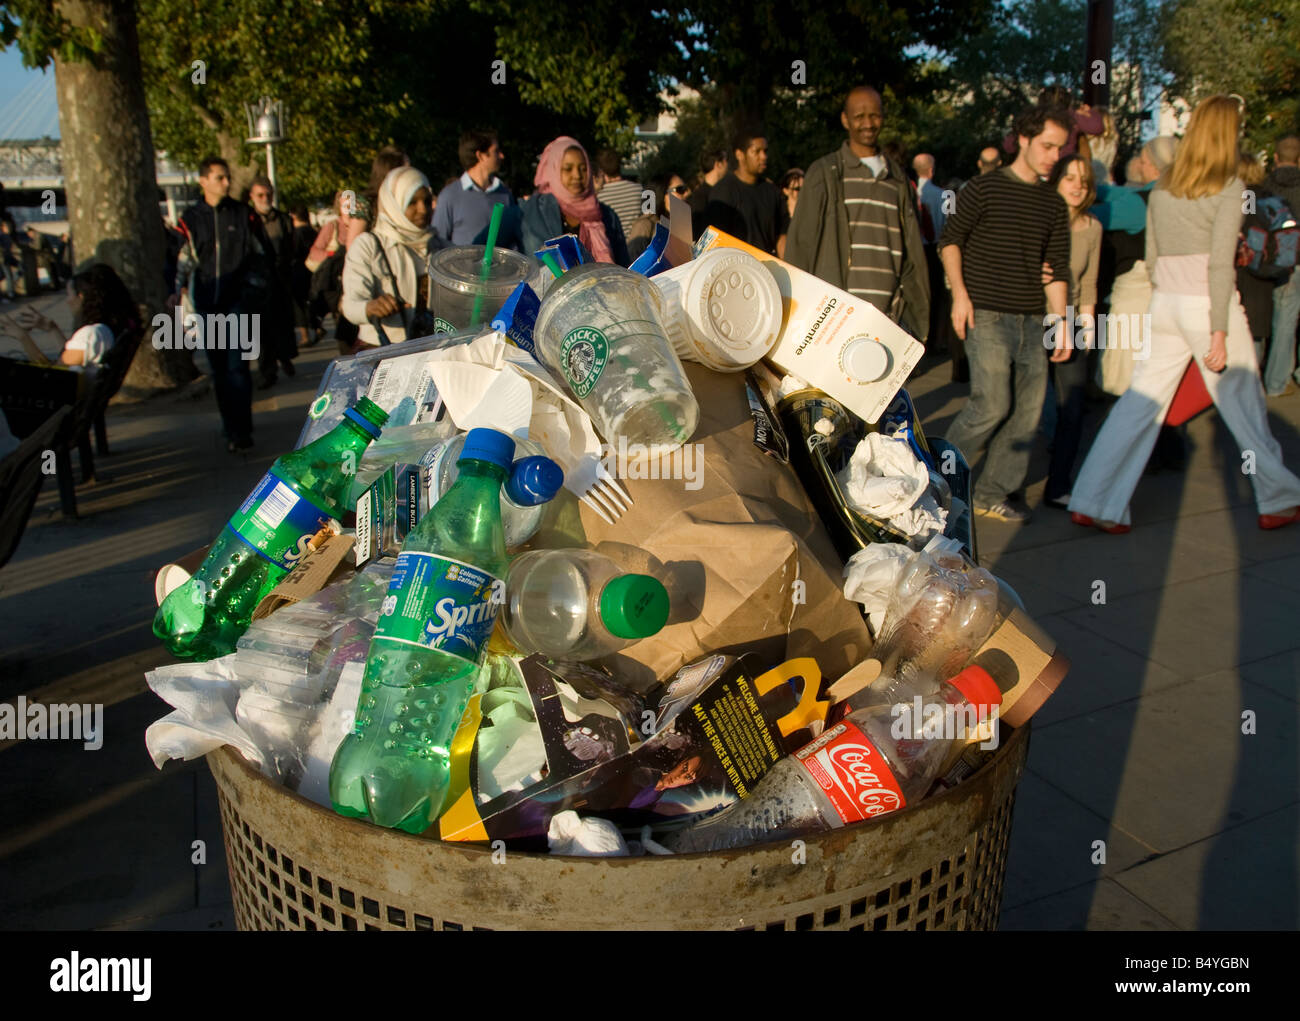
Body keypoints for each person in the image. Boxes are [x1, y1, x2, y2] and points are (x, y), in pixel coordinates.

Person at [1069, 95, 1300, 533]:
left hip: (1166, 303)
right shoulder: (1228, 186)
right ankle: (1278, 497)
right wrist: (1216, 332)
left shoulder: (1167, 187)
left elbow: (1154, 258)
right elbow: (1217, 264)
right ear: (1227, 135)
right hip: (1208, 305)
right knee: (1244, 404)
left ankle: (1093, 500)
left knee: (1139, 404)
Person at [938, 104, 1073, 524]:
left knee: (1028, 412)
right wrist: (960, 295)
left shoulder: (1053, 203)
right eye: (1048, 146)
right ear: (1025, 139)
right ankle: (933, 479)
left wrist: (1061, 321)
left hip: (1033, 320)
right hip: (988, 314)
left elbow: (1057, 267)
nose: (1054, 155)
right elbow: (950, 240)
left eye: (1060, 148)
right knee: (991, 404)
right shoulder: (984, 188)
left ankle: (990, 492)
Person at [785, 87, 930, 341]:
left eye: (874, 115)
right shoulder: (825, 172)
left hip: (888, 319)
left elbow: (911, 256)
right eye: (859, 116)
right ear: (845, 120)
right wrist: (796, 315)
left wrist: (915, 315)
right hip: (835, 320)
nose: (868, 123)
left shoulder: (897, 179)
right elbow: (801, 246)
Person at [176, 156, 269, 452]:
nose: (226, 183)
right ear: (203, 181)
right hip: (206, 303)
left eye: (227, 177)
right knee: (219, 369)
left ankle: (243, 430)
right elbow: (183, 259)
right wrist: (176, 289)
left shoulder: (243, 215)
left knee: (238, 367)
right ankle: (230, 428)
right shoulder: (190, 219)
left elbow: (261, 254)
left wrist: (252, 287)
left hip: (237, 303)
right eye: (219, 177)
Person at [1042, 154, 1102, 509]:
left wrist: (1088, 326)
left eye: (1083, 179)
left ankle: (1058, 485)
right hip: (1036, 319)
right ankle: (1004, 486)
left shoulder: (1093, 227)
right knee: (1024, 404)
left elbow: (1090, 281)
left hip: (1074, 321)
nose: (1078, 185)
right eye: (1069, 178)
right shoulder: (1040, 222)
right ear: (1056, 182)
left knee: (1073, 407)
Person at [342, 166, 437, 347]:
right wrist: (369, 307)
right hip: (383, 351)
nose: (423, 209)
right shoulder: (368, 245)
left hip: (429, 351)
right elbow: (350, 304)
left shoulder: (438, 245)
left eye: (426, 201)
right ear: (394, 204)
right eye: (412, 202)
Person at [0, 263, 137, 371]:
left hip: (63, 403)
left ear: (81, 297)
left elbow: (51, 373)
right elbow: (68, 362)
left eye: (69, 294)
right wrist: (52, 329)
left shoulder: (92, 334)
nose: (67, 300)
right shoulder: (106, 330)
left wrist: (23, 337)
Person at [520, 137, 630, 265]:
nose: (577, 175)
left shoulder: (606, 216)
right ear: (554, 170)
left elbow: (624, 269)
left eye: (583, 169)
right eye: (568, 169)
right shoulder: (531, 211)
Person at [704, 130, 789, 257]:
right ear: (739, 154)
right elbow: (715, 243)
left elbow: (782, 235)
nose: (763, 156)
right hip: (737, 269)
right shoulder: (723, 191)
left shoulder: (772, 191)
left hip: (769, 271)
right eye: (756, 151)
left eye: (765, 151)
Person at [247, 175, 297, 386]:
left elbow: (292, 248)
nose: (265, 198)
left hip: (280, 281)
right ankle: (267, 370)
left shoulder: (283, 219)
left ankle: (284, 356)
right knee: (260, 329)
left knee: (282, 323)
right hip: (257, 284)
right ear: (252, 196)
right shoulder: (248, 221)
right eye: (260, 195)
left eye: (268, 194)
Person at [307, 191, 370, 354]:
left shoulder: (364, 222)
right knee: (346, 330)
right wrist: (332, 256)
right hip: (338, 286)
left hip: (361, 282)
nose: (348, 209)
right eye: (344, 205)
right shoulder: (332, 226)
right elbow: (314, 251)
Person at [433, 129, 517, 248]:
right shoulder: (449, 196)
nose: (502, 156)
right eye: (496, 151)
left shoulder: (505, 195)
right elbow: (437, 243)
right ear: (480, 156)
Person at [1262, 134, 1300, 395]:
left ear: (1276, 157)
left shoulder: (1262, 187)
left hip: (1273, 259)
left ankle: (1275, 378)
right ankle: (1281, 379)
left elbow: (1249, 215)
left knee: (1282, 320)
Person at [626, 173, 684, 260]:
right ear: (662, 193)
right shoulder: (645, 224)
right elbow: (634, 264)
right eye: (680, 190)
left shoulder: (678, 223)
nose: (687, 193)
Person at [592, 148, 643, 240]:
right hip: (639, 249)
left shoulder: (598, 197)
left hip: (613, 250)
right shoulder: (639, 190)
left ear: (601, 171)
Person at [288, 205, 317, 348]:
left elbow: (293, 253)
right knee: (311, 300)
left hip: (298, 270)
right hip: (314, 270)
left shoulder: (296, 234)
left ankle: (305, 336)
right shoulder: (313, 231)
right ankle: (317, 327)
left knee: (298, 304)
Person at [689, 147, 728, 238]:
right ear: (719, 164)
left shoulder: (699, 194)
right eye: (726, 160)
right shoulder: (700, 196)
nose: (728, 165)